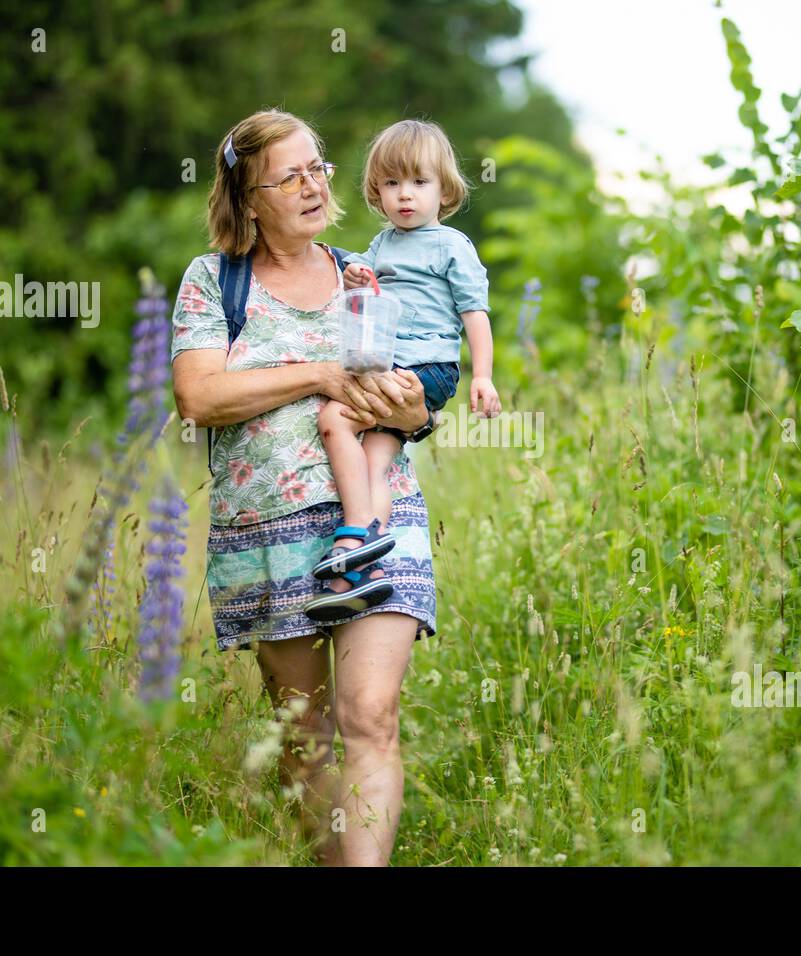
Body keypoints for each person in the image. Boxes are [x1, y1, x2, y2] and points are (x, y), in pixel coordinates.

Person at [170, 108, 436, 867]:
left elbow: (419, 400)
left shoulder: (371, 269)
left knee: (370, 714)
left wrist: (412, 402)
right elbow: (200, 398)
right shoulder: (213, 282)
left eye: (317, 166)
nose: (312, 184)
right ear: (249, 197)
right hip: (266, 534)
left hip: (377, 520)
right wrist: (320, 374)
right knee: (304, 734)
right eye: (288, 176)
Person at [308, 119, 500, 623]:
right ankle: (365, 567)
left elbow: (474, 315)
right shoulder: (381, 244)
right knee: (377, 458)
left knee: (334, 419)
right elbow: (364, 293)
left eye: (419, 182)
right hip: (386, 362)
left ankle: (353, 530)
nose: (405, 196)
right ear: (377, 192)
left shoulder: (450, 245)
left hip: (427, 368)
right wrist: (357, 277)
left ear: (445, 189)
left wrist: (481, 375)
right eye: (392, 184)